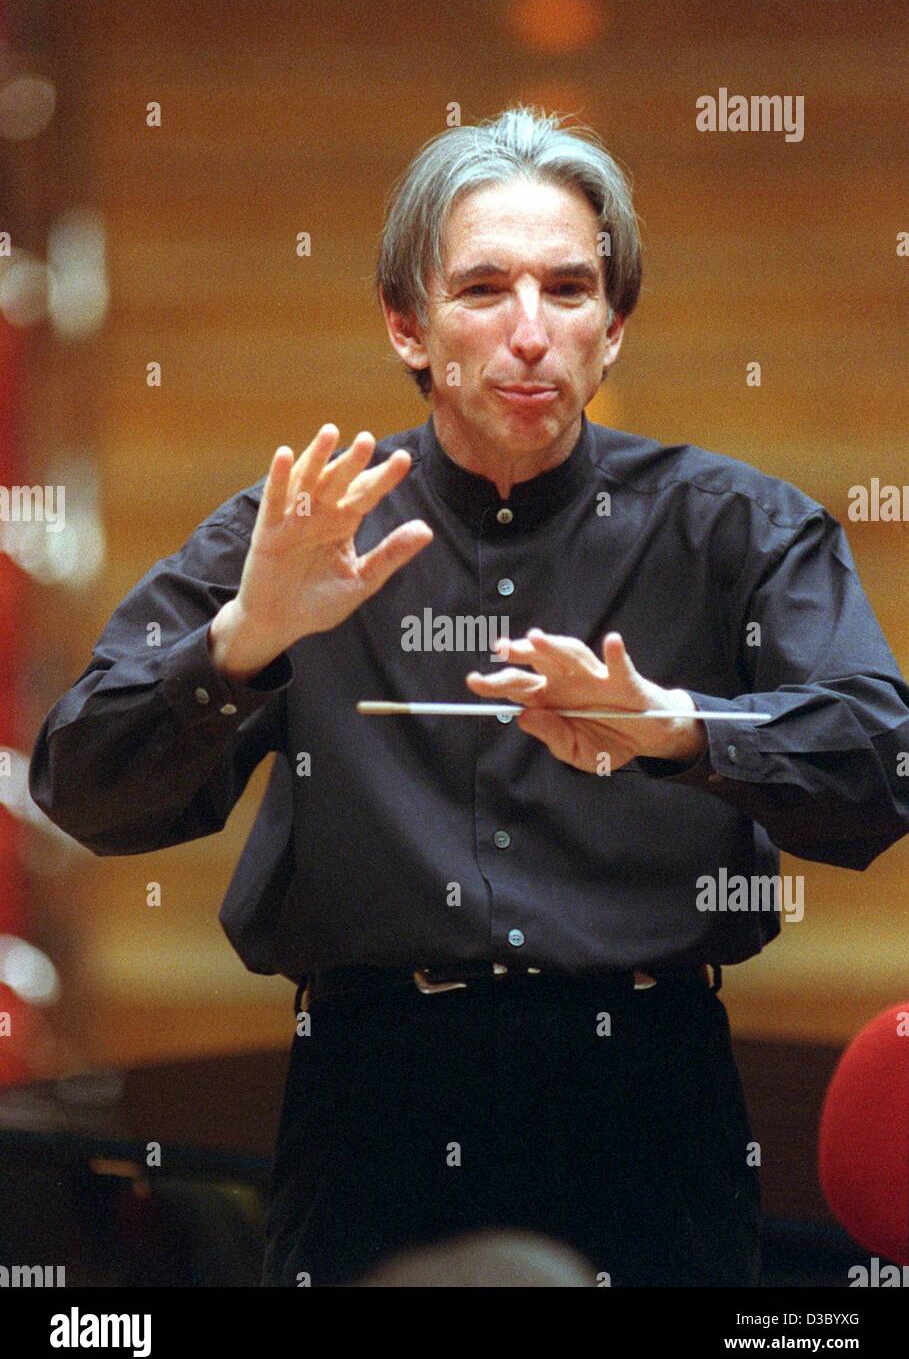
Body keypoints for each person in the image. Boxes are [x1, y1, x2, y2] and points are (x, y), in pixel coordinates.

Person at [29, 105, 909, 1288]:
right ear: (408, 324)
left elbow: (883, 763)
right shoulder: (294, 532)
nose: (531, 333)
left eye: (570, 289)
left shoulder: (740, 528)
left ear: (616, 326)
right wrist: (242, 642)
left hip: (652, 1098)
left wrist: (686, 731)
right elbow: (80, 787)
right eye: (484, 290)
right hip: (371, 1100)